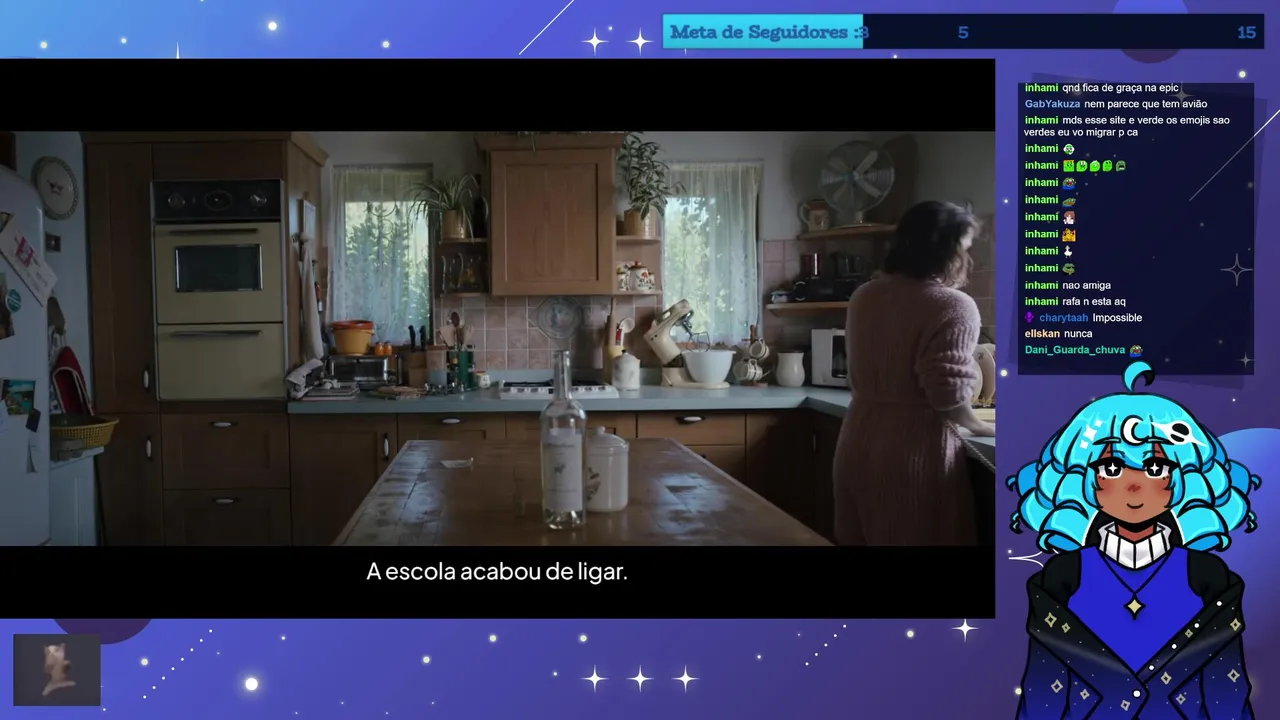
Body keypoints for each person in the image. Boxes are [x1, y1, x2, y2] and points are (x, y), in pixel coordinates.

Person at [1008, 361, 1257, 718]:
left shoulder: (1207, 577)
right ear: (1086, 477)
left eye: (1155, 468)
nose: (1134, 485)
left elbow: (1227, 693)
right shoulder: (1064, 578)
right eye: (1112, 468)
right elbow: (1043, 692)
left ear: (1182, 476)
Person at [832, 200, 995, 546]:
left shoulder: (865, 295)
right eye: (965, 248)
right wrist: (977, 424)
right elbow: (947, 393)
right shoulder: (953, 305)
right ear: (948, 250)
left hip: (857, 440)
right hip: (911, 453)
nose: (968, 259)